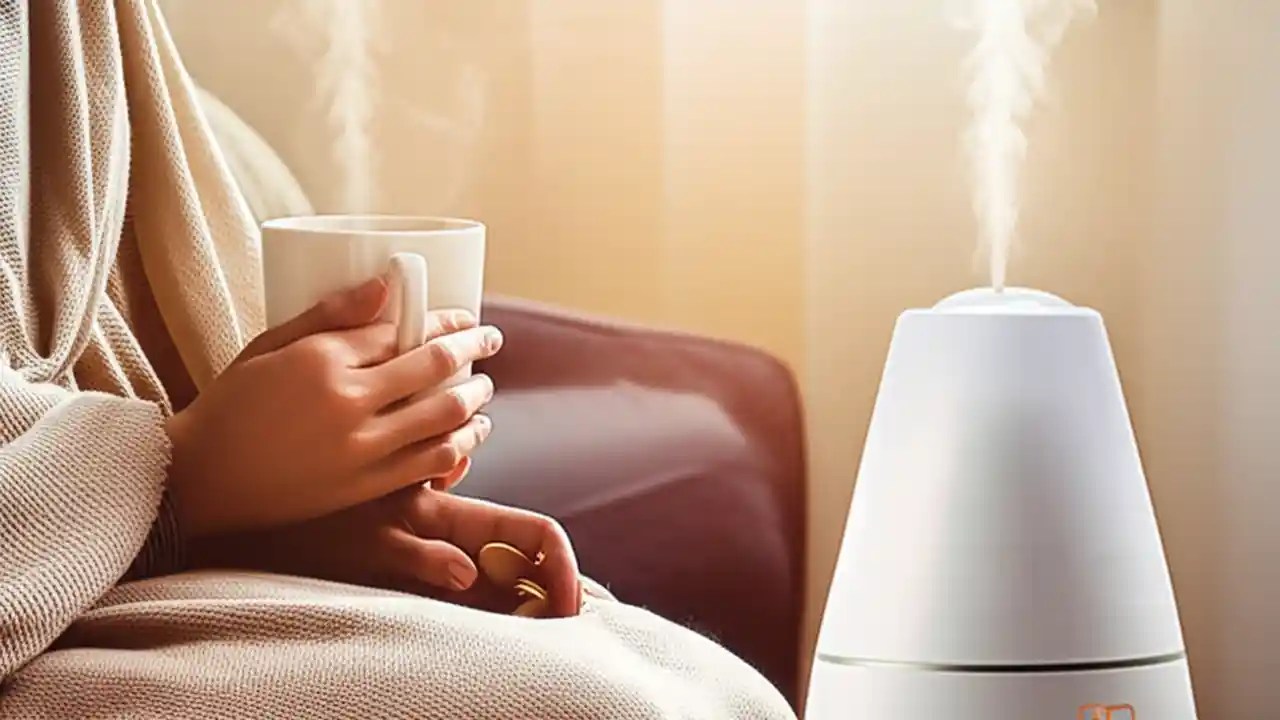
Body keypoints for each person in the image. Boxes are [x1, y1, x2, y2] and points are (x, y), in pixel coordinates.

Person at [0, 2, 794, 718]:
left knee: (725, 695)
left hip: (95, 551)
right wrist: (190, 475)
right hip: (43, 600)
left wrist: (263, 517)